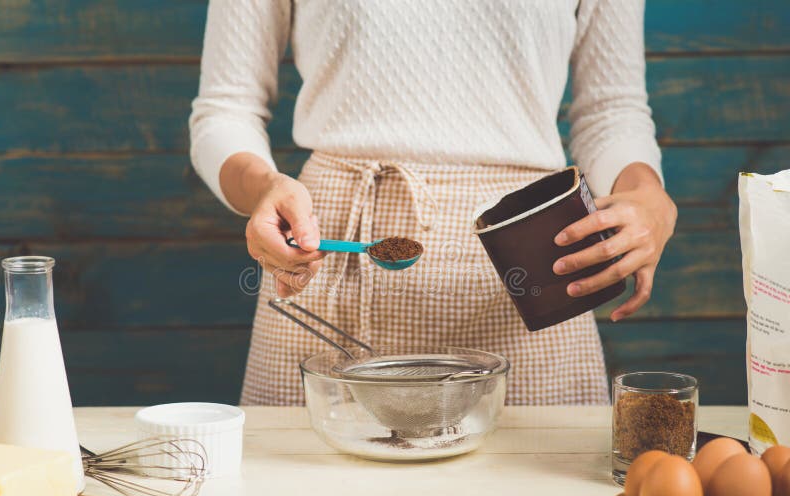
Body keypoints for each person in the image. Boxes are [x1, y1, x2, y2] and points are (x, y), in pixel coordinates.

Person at [190, 0, 677, 406]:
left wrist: (647, 194)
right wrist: (263, 188)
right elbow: (226, 109)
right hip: (330, 262)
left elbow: (611, 112)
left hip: (531, 264)